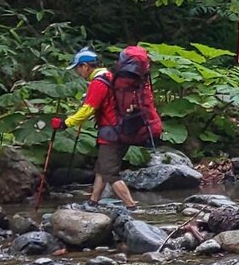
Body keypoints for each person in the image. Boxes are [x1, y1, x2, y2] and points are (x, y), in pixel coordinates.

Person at [55, 44, 162, 209]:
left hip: (112, 134)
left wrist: (65, 123)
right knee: (101, 168)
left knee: (110, 174)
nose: (77, 72)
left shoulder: (98, 83)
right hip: (122, 130)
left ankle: (132, 207)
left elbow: (88, 110)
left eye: (78, 68)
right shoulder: (109, 76)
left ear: (86, 66)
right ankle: (93, 202)